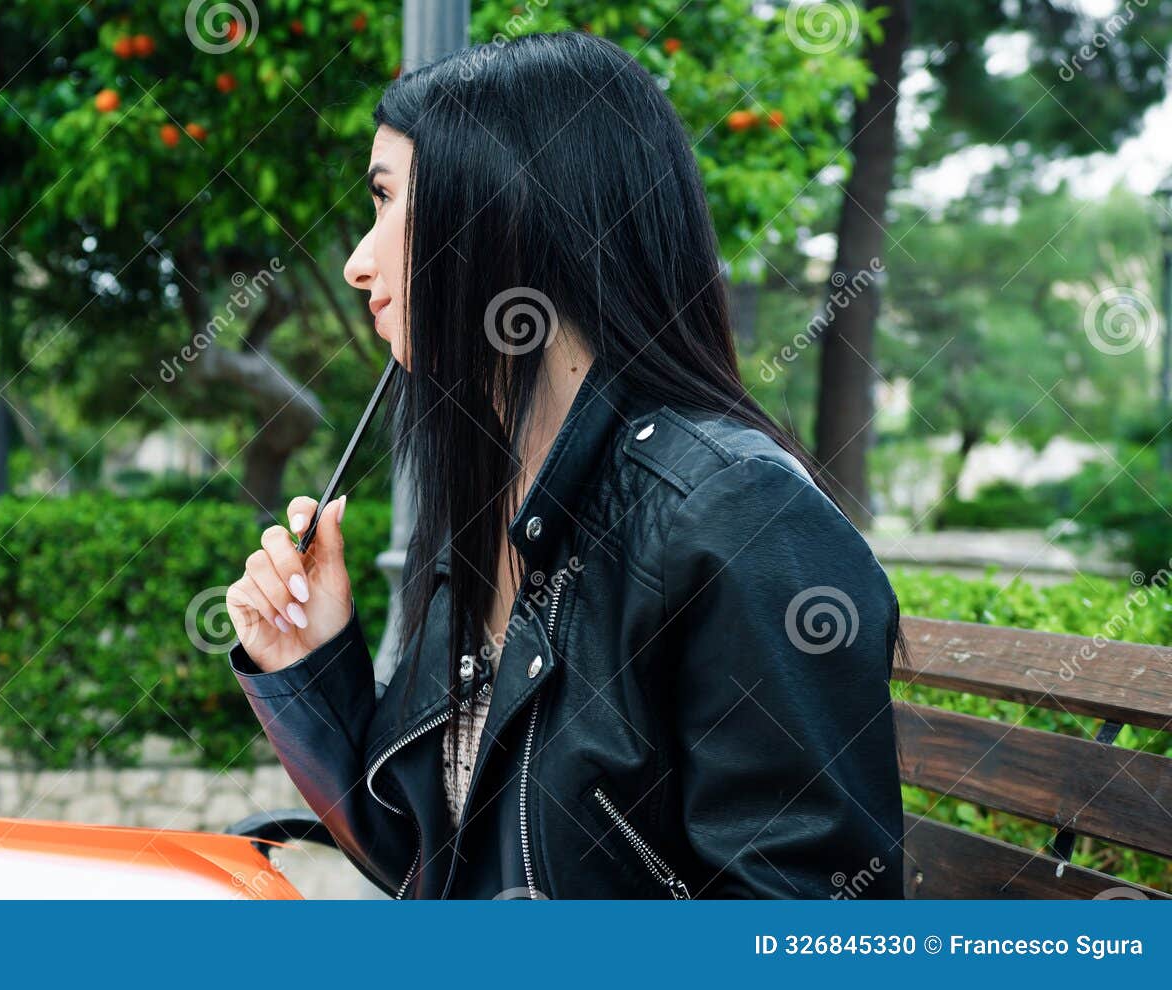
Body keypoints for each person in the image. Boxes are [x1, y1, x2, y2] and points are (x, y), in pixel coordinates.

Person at [222, 31, 905, 899]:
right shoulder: (489, 507)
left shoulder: (734, 515)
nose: (359, 261)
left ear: (508, 212)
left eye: (390, 201)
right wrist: (308, 662)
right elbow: (431, 863)